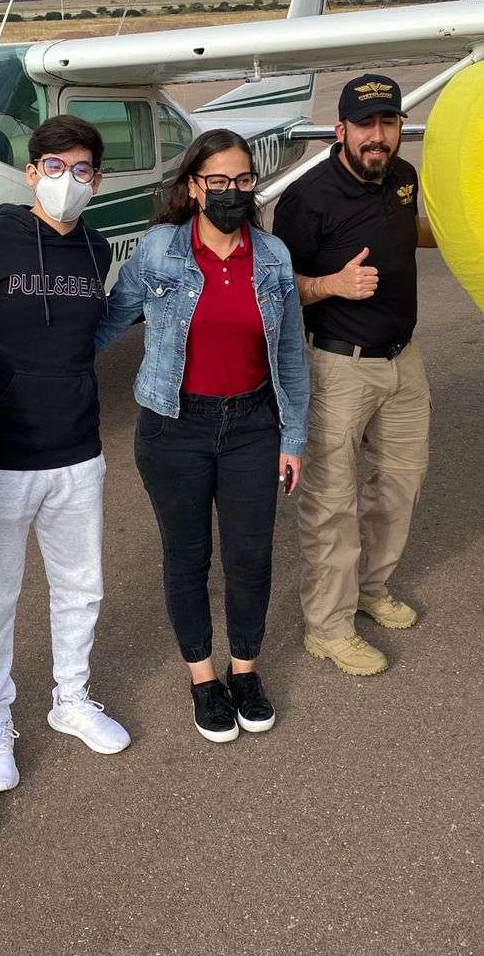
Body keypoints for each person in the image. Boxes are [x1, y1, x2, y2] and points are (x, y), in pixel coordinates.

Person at [0, 115, 130, 793]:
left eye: (84, 170)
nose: (70, 181)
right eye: (56, 167)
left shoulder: (97, 251)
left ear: (98, 179)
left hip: (77, 452)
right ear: (32, 172)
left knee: (80, 587)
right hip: (1, 458)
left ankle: (70, 699)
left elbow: (85, 339)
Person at [97, 129, 309, 742]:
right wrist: (48, 371)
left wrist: (292, 437)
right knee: (187, 557)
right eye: (218, 181)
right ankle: (203, 679)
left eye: (243, 180)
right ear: (194, 187)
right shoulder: (160, 250)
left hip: (252, 426)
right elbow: (113, 317)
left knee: (250, 557)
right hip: (173, 426)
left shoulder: (272, 257)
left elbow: (289, 354)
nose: (231, 192)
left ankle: (245, 672)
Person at [272, 73, 433, 677]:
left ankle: (370, 589)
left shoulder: (403, 179)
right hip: (337, 365)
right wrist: (334, 285)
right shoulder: (308, 199)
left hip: (402, 358)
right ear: (340, 130)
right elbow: (274, 287)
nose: (377, 137)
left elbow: (410, 231)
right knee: (332, 504)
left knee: (402, 482)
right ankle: (328, 628)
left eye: (387, 124)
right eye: (364, 125)